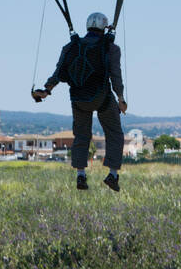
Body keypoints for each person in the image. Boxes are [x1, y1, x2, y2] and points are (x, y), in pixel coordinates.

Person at [32, 11, 127, 191]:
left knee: (82, 136)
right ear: (104, 27)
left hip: (78, 98)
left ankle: (81, 175)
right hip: (102, 98)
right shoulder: (111, 48)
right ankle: (112, 175)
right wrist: (121, 98)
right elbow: (115, 76)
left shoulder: (71, 47)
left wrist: (46, 90)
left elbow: (58, 72)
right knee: (114, 133)